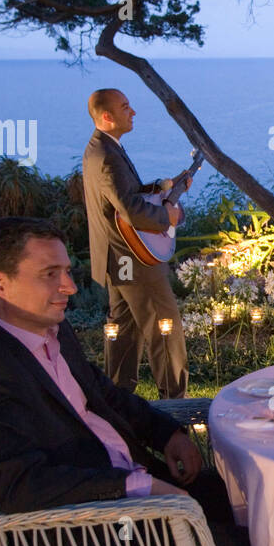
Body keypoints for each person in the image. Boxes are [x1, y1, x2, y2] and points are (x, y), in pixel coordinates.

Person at [0, 216, 249, 546]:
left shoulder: (49, 330)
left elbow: (105, 396)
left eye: (68, 272)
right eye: (50, 274)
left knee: (257, 502)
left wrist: (168, 434)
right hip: (90, 533)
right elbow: (22, 486)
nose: (70, 287)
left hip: (136, 492)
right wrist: (135, 488)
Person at [82, 88, 189, 399]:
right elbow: (131, 211)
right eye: (125, 107)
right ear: (107, 117)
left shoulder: (101, 148)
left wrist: (162, 187)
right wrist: (167, 216)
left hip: (117, 259)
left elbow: (123, 196)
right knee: (164, 325)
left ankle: (116, 400)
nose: (133, 112)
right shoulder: (107, 157)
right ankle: (173, 405)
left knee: (125, 331)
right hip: (134, 258)